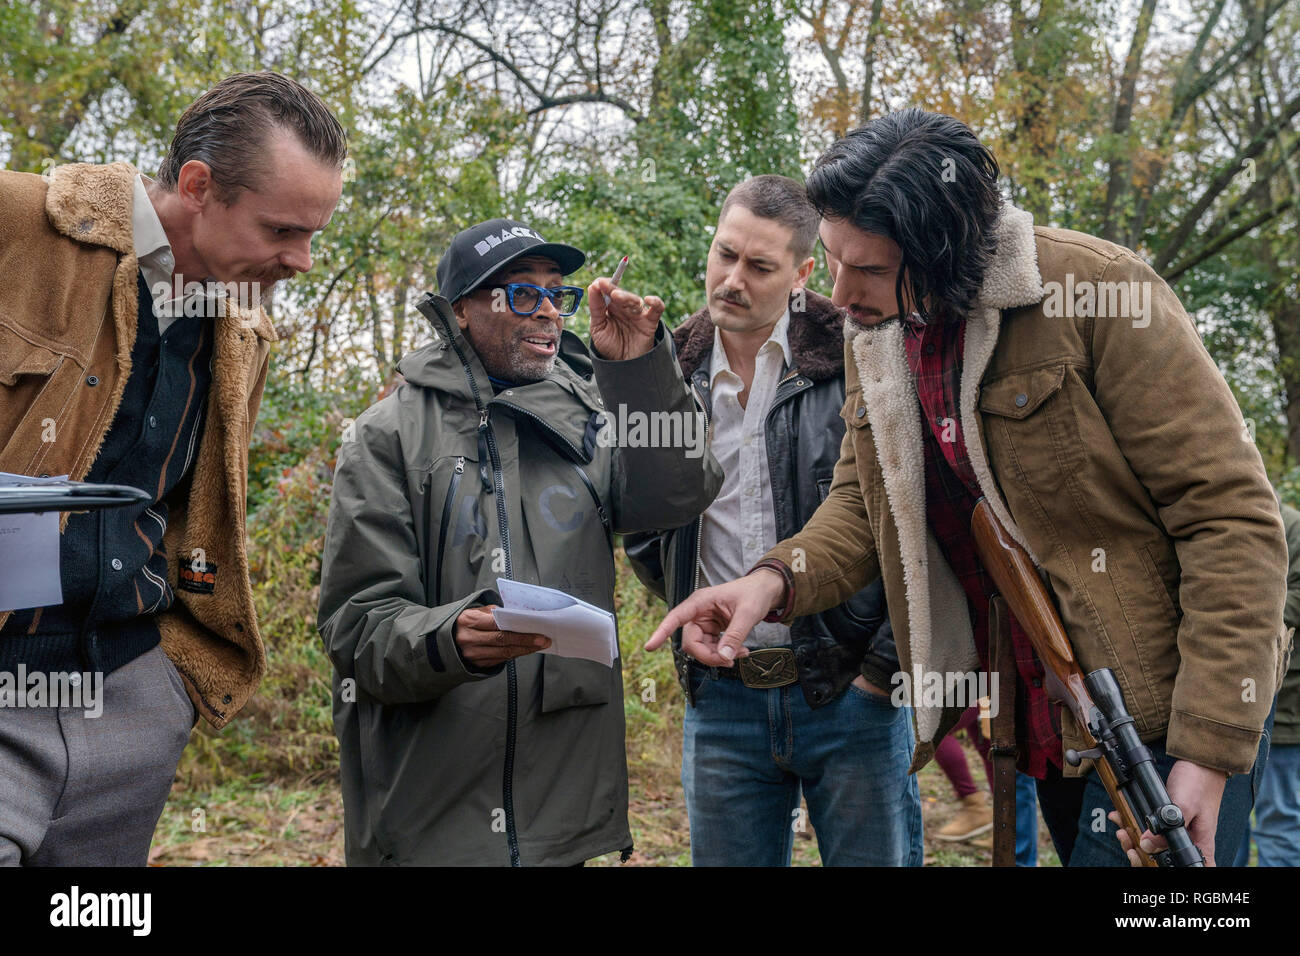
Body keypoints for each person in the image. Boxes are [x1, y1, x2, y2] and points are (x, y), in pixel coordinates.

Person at [648, 108, 1286, 867]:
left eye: (874, 270)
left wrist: (1207, 754)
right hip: (1050, 715)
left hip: (1163, 716)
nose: (844, 294)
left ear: (945, 252)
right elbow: (862, 502)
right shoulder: (875, 333)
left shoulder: (1101, 292)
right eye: (834, 259)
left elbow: (1231, 518)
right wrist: (774, 580)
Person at [0, 71, 347, 865]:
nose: (299, 261)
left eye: (312, 236)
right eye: (281, 230)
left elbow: (194, 510)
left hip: (130, 706)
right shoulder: (18, 222)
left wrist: (169, 692)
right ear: (198, 186)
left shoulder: (245, 326)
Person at [317, 218, 722, 866]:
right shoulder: (386, 436)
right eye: (521, 295)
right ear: (461, 311)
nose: (548, 316)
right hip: (431, 812)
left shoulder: (589, 418)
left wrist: (640, 375)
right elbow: (357, 624)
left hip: (562, 810)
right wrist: (452, 640)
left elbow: (678, 495)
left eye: (556, 295)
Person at [625, 175, 921, 866]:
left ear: (802, 272)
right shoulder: (667, 371)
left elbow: (910, 520)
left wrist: (881, 669)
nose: (732, 279)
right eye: (724, 254)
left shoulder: (864, 353)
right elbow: (643, 524)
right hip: (722, 699)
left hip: (851, 696)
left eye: (759, 266)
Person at [1235, 497, 1300, 866]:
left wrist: (1253, 605)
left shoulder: (1293, 527)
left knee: (1279, 820)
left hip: (1286, 707)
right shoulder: (1226, 516)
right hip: (1234, 708)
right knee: (1227, 824)